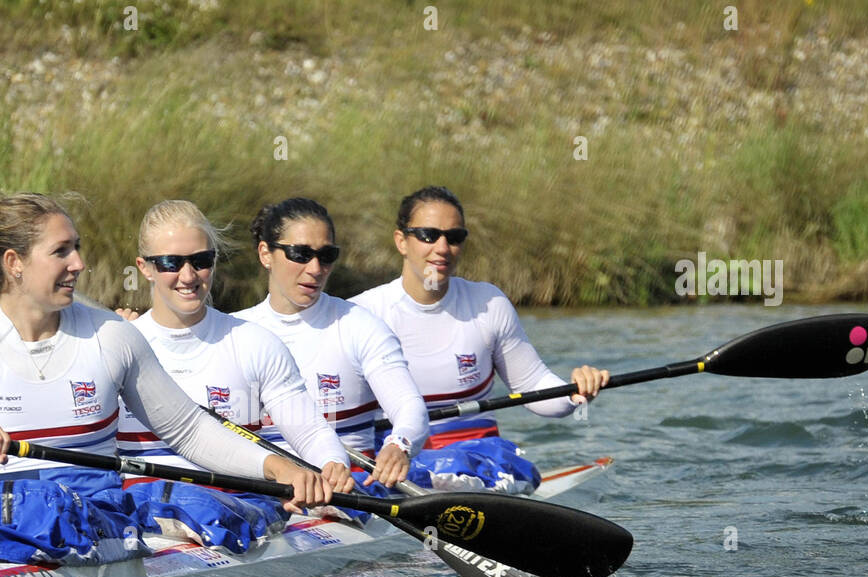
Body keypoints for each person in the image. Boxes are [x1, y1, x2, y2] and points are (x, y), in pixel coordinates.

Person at [0, 193, 331, 568]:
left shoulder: (111, 336)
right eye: (61, 252)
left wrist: (281, 469)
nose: (78, 263)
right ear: (15, 262)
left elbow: (190, 431)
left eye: (77, 247)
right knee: (23, 507)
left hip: (98, 517)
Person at [114, 200, 355, 549]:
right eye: (171, 263)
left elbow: (310, 430)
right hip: (143, 511)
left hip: (238, 505)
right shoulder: (117, 343)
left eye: (201, 261)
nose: (188, 276)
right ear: (145, 268)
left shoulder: (253, 343)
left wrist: (331, 464)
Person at [350, 186, 609, 491]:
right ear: (401, 241)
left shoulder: (487, 304)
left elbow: (533, 386)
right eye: (428, 235)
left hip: (477, 459)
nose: (443, 248)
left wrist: (573, 392)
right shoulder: (362, 313)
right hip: (391, 461)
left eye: (455, 237)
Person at [235, 198, 430, 490]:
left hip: (350, 489)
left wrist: (399, 444)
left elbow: (409, 406)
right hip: (265, 491)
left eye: (326, 255)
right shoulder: (233, 332)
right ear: (265, 254)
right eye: (300, 254)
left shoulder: (358, 326)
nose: (315, 268)